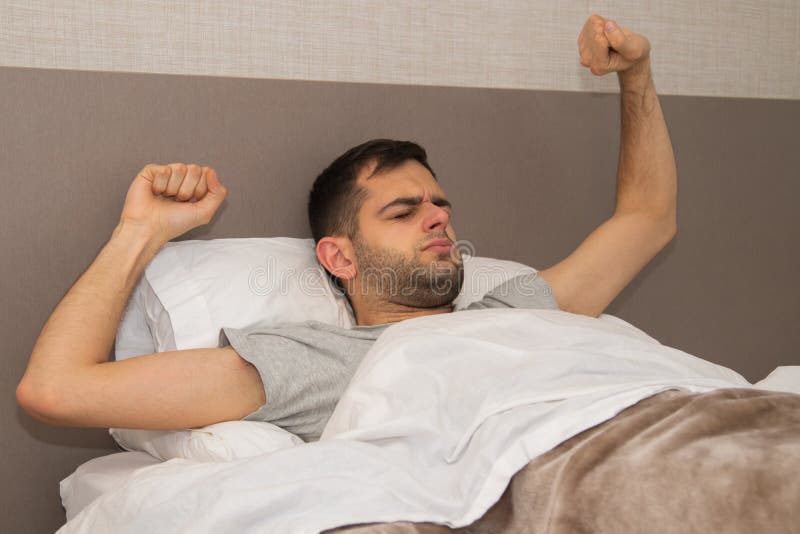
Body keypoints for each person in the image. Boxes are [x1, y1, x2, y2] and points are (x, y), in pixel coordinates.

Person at [17, 15, 676, 442]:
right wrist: (140, 231)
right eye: (403, 211)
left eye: (439, 204)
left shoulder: (518, 308)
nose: (439, 217)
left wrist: (637, 74)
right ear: (339, 257)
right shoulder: (317, 363)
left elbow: (647, 219)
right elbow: (53, 391)